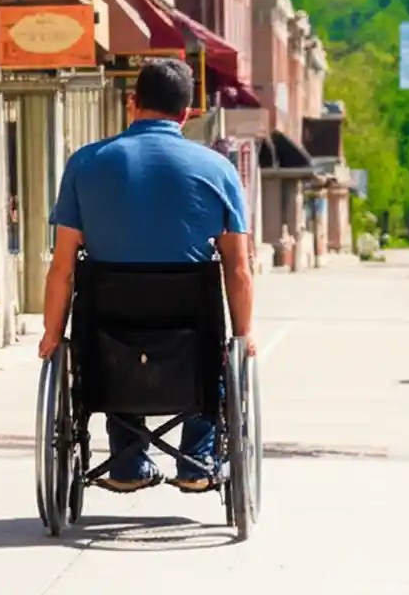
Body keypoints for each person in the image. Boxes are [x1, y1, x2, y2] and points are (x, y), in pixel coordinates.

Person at [36, 58, 256, 495]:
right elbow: (238, 268)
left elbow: (62, 266)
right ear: (187, 113)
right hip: (191, 327)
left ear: (131, 103)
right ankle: (198, 460)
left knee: (109, 341)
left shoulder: (85, 163)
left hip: (107, 328)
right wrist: (245, 334)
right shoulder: (219, 170)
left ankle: (128, 461)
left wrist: (51, 332)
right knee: (212, 351)